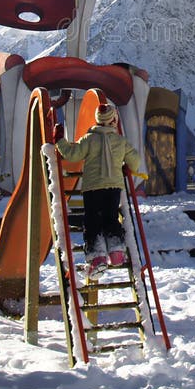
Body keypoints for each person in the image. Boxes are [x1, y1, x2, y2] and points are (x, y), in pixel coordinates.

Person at [56, 103, 145, 279]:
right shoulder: (120, 141)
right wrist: (127, 166)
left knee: (92, 220)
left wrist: (59, 140)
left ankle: (97, 257)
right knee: (110, 217)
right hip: (114, 187)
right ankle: (117, 252)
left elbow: (72, 155)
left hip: (93, 188)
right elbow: (135, 160)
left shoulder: (89, 139)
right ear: (113, 121)